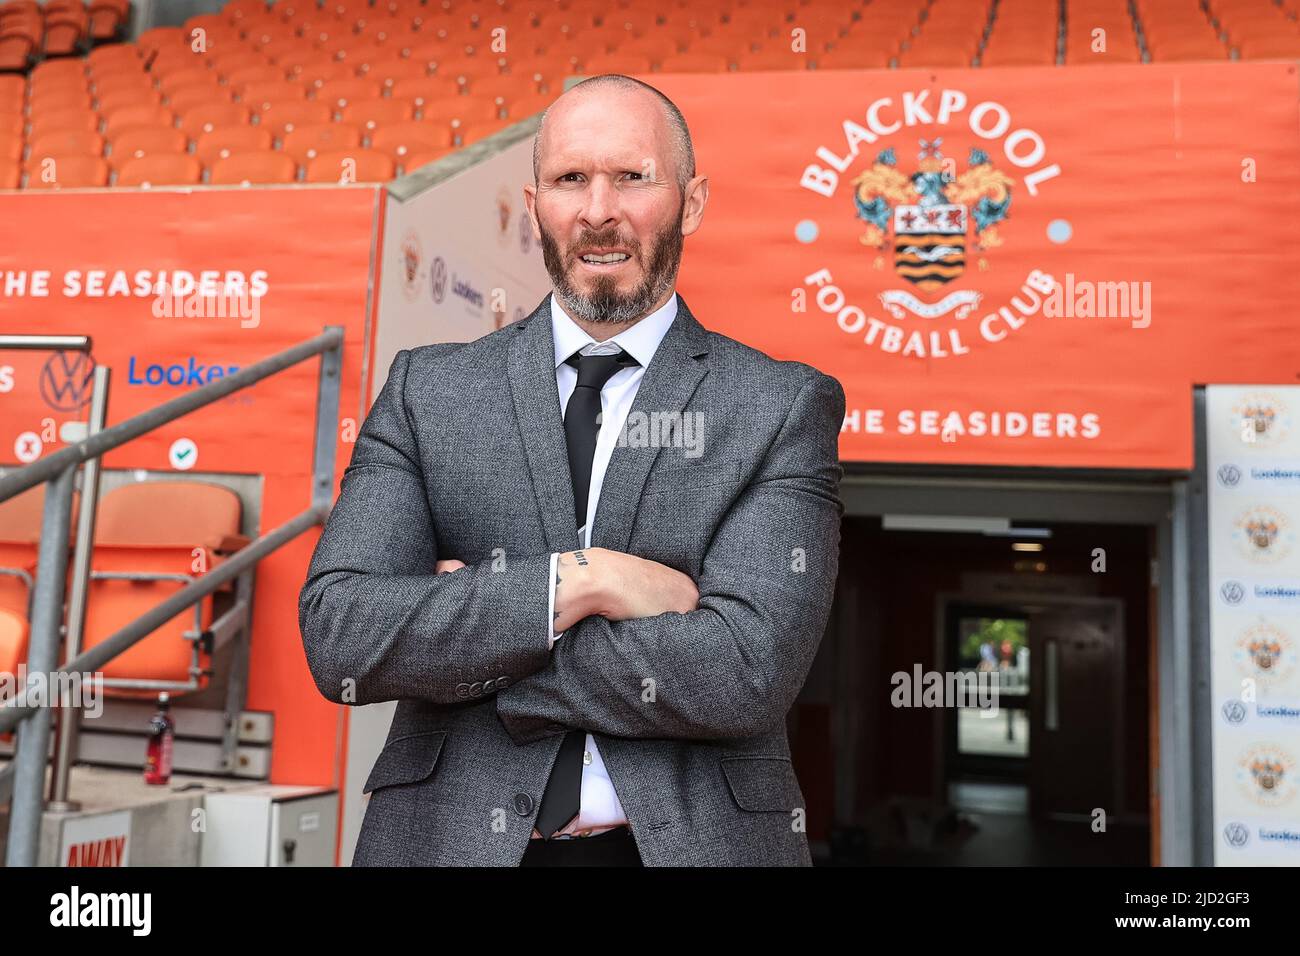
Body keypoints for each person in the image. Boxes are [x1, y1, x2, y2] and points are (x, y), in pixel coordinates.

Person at [298, 73, 846, 866]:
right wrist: (580, 583)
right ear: (534, 208)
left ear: (691, 202)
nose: (598, 211)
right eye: (570, 179)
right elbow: (343, 637)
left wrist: (470, 631)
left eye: (631, 176)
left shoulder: (779, 406)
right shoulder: (428, 390)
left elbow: (744, 672)